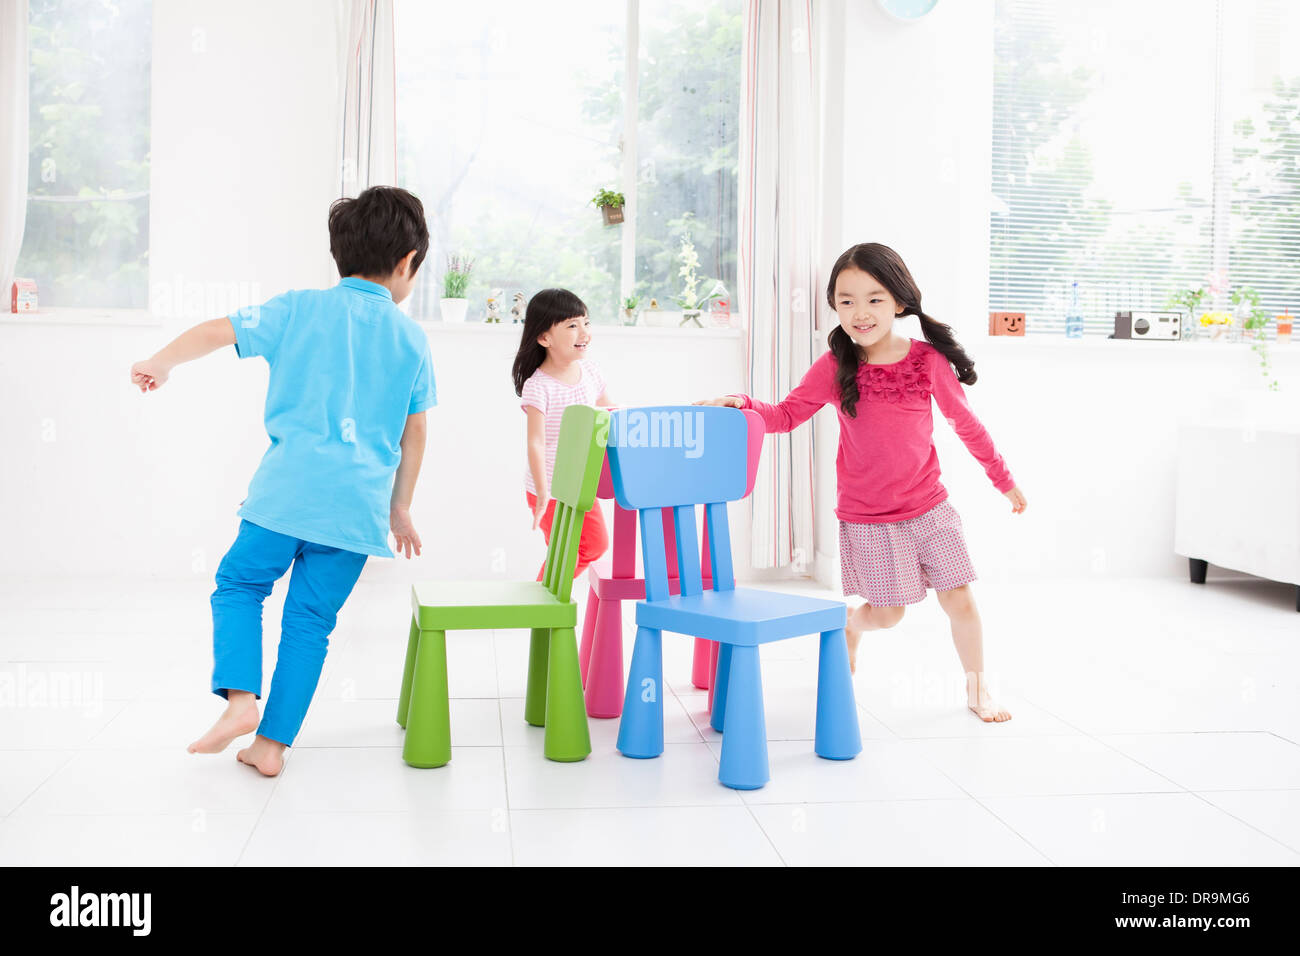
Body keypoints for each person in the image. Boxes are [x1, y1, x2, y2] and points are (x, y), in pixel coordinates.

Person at [129, 186, 437, 773]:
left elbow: (218, 330)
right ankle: (270, 748)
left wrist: (161, 361)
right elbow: (414, 434)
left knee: (240, 585)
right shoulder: (412, 339)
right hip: (356, 511)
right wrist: (400, 509)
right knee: (310, 623)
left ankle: (241, 700)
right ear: (406, 265)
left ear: (341, 255)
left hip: (285, 497)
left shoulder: (299, 308)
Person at [698, 243, 1026, 722]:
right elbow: (787, 416)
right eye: (846, 300)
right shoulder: (834, 366)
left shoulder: (927, 362)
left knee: (961, 600)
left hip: (930, 506)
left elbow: (966, 424)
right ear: (835, 306)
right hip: (868, 517)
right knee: (889, 615)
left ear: (899, 301)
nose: (860, 311)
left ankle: (978, 691)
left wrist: (1003, 478)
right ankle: (852, 626)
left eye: (874, 298)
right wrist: (743, 404)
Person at [511, 288, 611, 579]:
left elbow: (608, 415)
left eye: (586, 323)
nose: (584, 332)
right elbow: (536, 442)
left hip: (581, 484)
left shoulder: (591, 373)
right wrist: (543, 491)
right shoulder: (538, 386)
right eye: (572, 325)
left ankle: (544, 603)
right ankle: (544, 604)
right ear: (544, 338)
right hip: (552, 488)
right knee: (571, 551)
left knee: (591, 546)